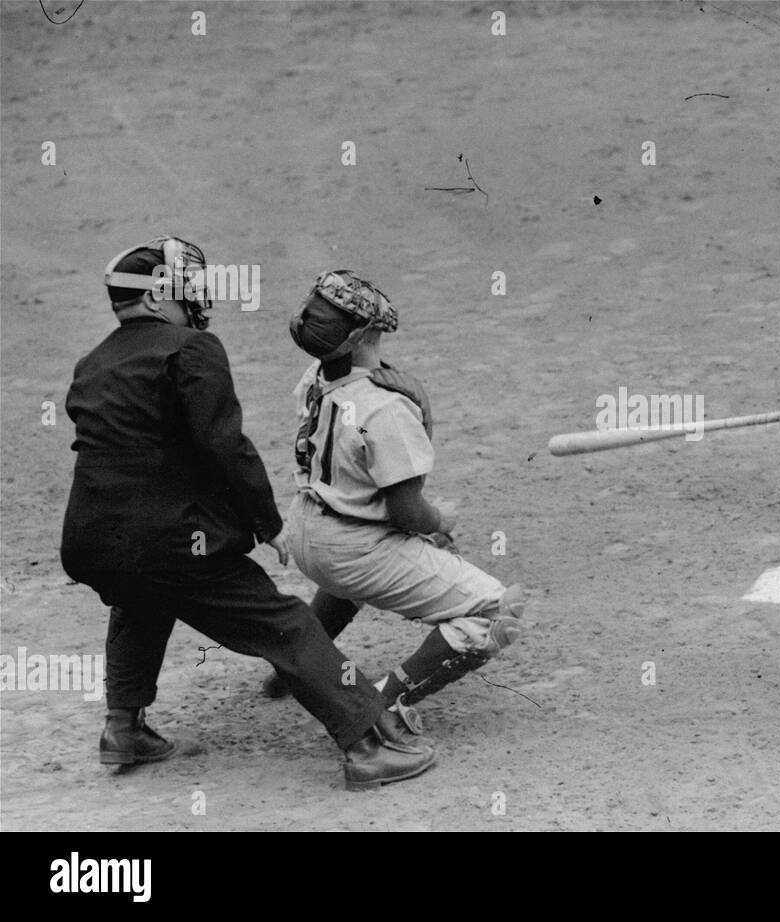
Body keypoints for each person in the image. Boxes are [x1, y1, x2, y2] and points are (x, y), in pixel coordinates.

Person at [60, 236, 436, 790]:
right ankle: (368, 746)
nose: (193, 299)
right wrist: (268, 524)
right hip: (171, 540)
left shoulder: (92, 363)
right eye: (184, 289)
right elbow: (225, 446)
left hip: (93, 541)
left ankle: (124, 728)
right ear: (156, 297)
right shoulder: (190, 349)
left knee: (140, 598)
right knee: (285, 626)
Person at [264, 269, 525, 723]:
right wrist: (438, 521)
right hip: (352, 550)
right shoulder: (384, 408)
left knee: (355, 571)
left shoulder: (315, 377)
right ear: (366, 333)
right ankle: (379, 704)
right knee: (497, 611)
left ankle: (291, 668)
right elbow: (407, 514)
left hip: (306, 529)